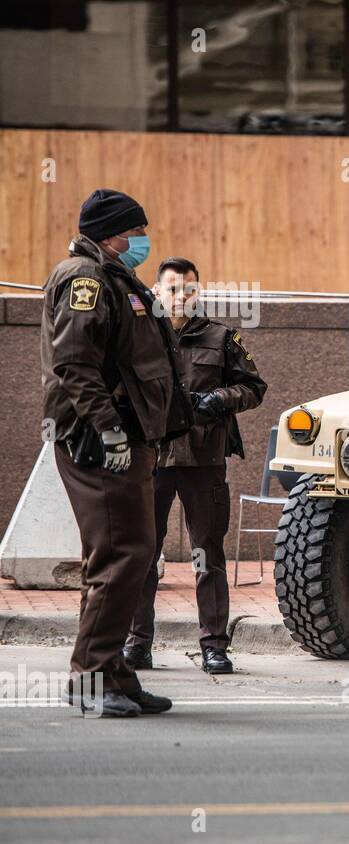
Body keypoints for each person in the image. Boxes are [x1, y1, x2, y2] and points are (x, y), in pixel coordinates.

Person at [40, 188, 192, 717]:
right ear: (109, 234)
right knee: (120, 556)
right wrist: (109, 430)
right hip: (101, 443)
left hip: (127, 439)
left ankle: (115, 675)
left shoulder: (111, 275)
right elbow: (75, 365)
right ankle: (90, 680)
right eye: (133, 231)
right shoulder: (84, 279)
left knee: (128, 556)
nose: (141, 241)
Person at [125, 257, 268, 674]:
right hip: (150, 458)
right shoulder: (139, 337)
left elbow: (254, 387)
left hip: (202, 459)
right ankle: (138, 643)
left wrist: (221, 399)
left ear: (198, 292)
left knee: (209, 555)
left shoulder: (220, 337)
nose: (180, 297)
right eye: (171, 289)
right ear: (156, 292)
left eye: (188, 289)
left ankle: (214, 645)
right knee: (142, 554)